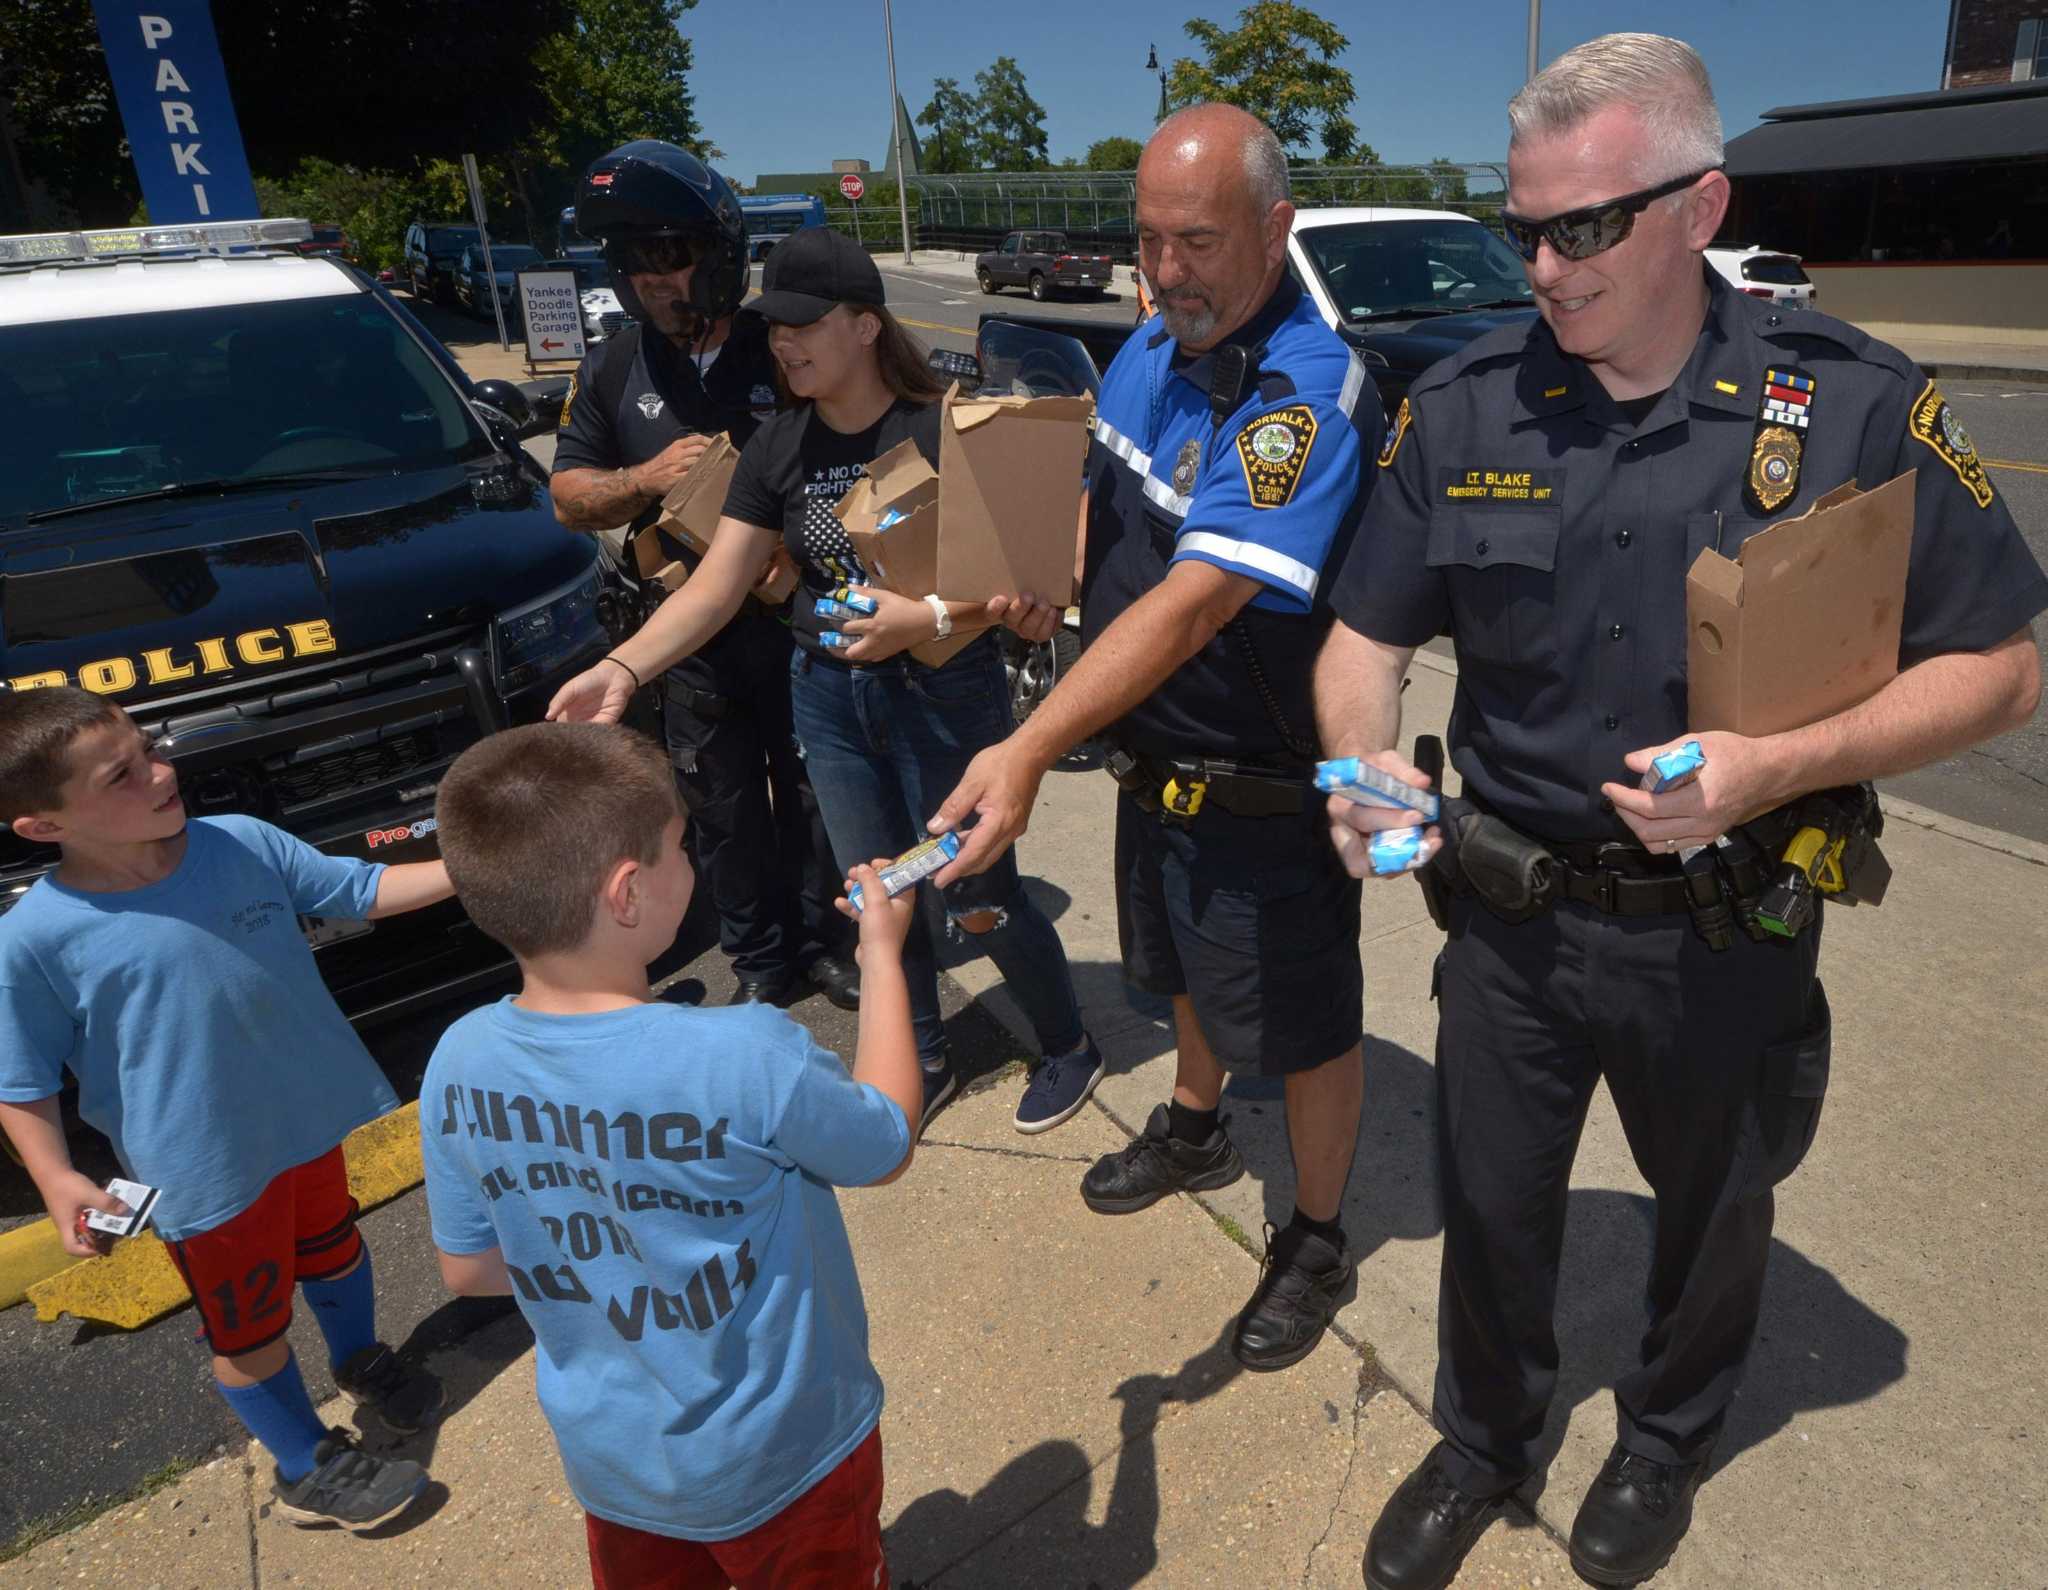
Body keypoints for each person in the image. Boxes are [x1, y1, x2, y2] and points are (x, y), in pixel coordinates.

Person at [1314, 35, 2047, 1590]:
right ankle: (1485, 1439)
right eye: (1523, 225)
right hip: (1506, 923)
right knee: (1491, 1206)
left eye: (1585, 226)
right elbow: (1364, 637)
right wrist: (1361, 762)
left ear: (1700, 204)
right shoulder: (1459, 405)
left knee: (1713, 1211)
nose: (1543, 265)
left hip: (1718, 932)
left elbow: (2003, 672)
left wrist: (1778, 768)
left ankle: (1665, 1436)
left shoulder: (1846, 410)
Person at [927, 104, 1383, 1370]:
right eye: (1147, 239)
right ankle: (1195, 1126)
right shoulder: (1151, 346)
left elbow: (1193, 603)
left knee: (1304, 1029)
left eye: (1197, 240)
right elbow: (1102, 508)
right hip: (1156, 768)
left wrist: (1021, 750)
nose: (1166, 270)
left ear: (1275, 228)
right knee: (1179, 974)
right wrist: (1041, 583)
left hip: (1263, 785)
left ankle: (1314, 1236)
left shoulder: (1305, 394)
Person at [547, 226, 1103, 1137]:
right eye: (774, 328)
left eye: (804, 325)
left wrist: (923, 618)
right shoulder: (774, 448)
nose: (783, 343)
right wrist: (619, 668)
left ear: (864, 325)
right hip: (830, 699)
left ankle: (1068, 1042)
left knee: (974, 892)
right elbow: (721, 585)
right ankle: (915, 1059)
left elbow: (1027, 584)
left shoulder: (946, 430)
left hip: (944, 698)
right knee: (880, 891)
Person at [421, 720, 921, 1587]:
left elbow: (468, 1270)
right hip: (786, 1457)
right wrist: (881, 954)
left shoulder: (457, 1059)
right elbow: (883, 1143)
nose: (689, 861)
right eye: (678, 846)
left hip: (619, 1473)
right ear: (627, 892)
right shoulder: (741, 1053)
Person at [0, 687, 459, 1531]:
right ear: (44, 826)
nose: (162, 772)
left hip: (308, 1119)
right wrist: (55, 1174)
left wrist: (474, 867)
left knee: (332, 1244)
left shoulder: (238, 843)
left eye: (149, 750)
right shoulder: (34, 940)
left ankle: (361, 1358)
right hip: (202, 1169)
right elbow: (17, 1076)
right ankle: (300, 1462)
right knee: (246, 1323)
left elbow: (357, 888)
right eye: (122, 775)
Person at [551, 139, 858, 1013]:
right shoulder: (614, 365)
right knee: (722, 808)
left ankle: (825, 943)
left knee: (814, 794)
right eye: (634, 264)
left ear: (718, 257)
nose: (655, 281)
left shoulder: (785, 344)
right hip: (687, 638)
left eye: (671, 259)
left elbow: (858, 457)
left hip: (796, 617)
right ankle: (759, 960)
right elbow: (569, 497)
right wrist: (645, 481)